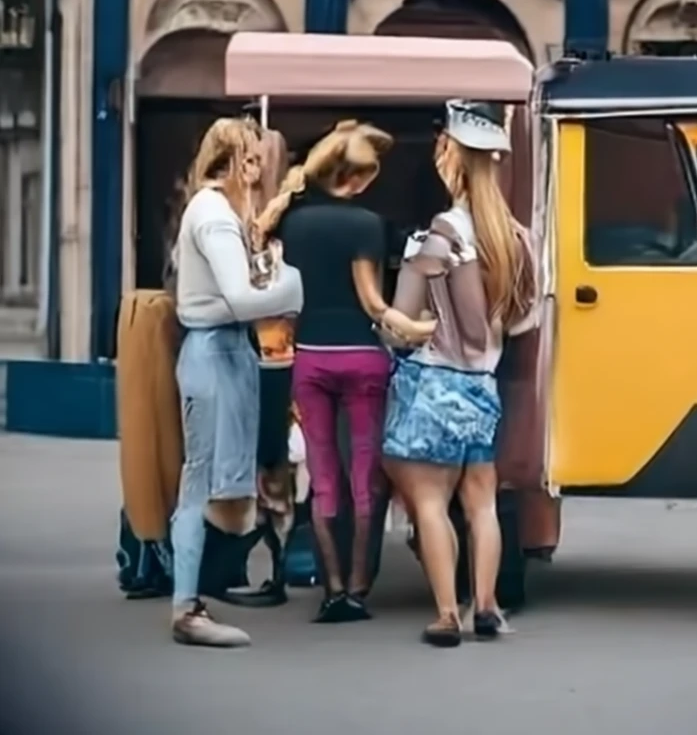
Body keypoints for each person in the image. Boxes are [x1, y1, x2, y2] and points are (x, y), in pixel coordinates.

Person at [258, 120, 436, 623]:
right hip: (363, 359)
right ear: (355, 177)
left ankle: (331, 589)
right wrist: (421, 326)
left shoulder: (291, 223)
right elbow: (375, 304)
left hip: (309, 358)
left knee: (323, 477)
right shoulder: (366, 225)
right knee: (366, 479)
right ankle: (359, 587)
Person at [382, 100, 538, 648]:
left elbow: (401, 321)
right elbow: (525, 319)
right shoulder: (518, 237)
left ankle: (448, 614)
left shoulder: (444, 233)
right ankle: (488, 606)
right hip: (484, 385)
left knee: (430, 502)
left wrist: (398, 304)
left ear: (452, 155)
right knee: (483, 503)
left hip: (436, 383)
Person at [171, 117, 304, 648]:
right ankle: (189, 604)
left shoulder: (217, 212)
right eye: (249, 159)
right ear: (229, 160)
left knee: (215, 483)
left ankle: (194, 597)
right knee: (203, 484)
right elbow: (242, 298)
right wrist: (293, 286)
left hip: (225, 351)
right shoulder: (215, 217)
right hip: (215, 350)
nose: (256, 170)